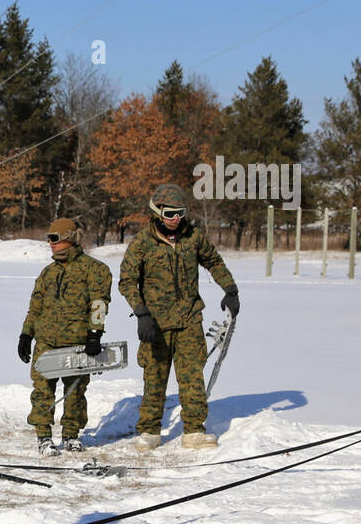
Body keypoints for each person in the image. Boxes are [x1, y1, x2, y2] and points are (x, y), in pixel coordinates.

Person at [118, 184, 240, 451]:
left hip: (188, 320)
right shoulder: (142, 242)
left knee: (192, 376)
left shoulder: (193, 237)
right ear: (157, 212)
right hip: (156, 324)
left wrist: (230, 289)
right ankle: (150, 431)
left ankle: (194, 431)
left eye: (180, 213)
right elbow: (127, 281)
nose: (176, 219)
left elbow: (214, 261)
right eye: (171, 213)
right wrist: (141, 313)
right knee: (155, 377)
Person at [18, 217, 112, 455]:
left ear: (69, 238)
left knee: (75, 392)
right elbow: (35, 307)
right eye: (48, 238)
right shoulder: (47, 273)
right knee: (42, 390)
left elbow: (99, 303)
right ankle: (44, 436)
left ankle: (71, 435)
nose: (50, 243)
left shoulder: (96, 269)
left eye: (55, 238)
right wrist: (26, 334)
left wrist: (94, 334)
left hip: (78, 343)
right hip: (46, 342)